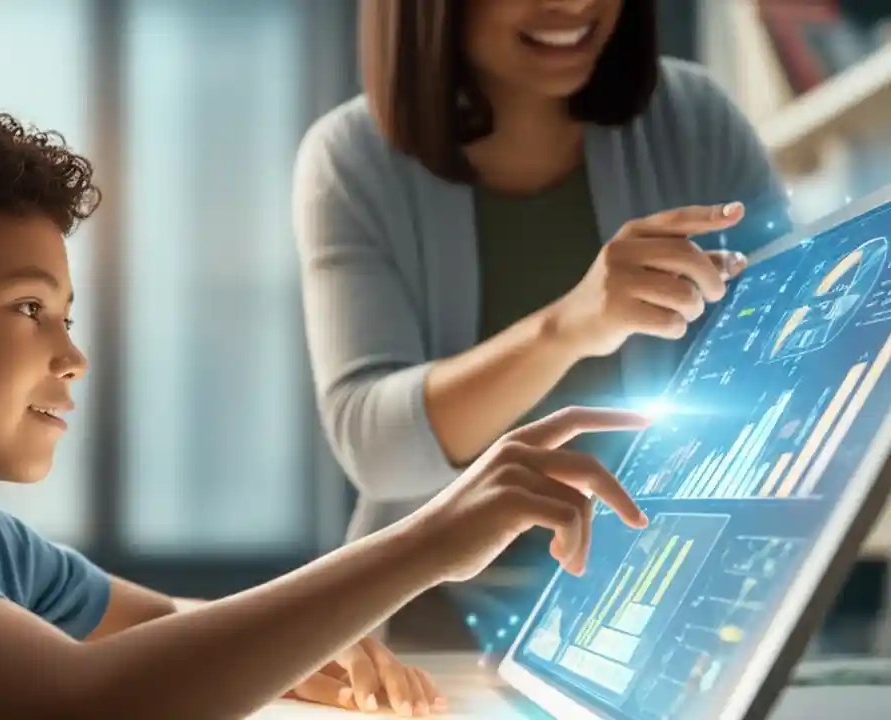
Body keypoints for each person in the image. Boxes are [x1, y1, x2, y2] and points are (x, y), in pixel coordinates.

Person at [0, 99, 649, 720]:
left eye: (66, 314)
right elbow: (88, 701)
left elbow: (162, 623)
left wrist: (310, 653)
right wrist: (431, 539)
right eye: (28, 309)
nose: (73, 354)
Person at [292, 0, 791, 642]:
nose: (576, 3)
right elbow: (376, 449)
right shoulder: (349, 159)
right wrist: (567, 327)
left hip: (664, 615)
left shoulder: (697, 119)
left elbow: (790, 351)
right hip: (433, 634)